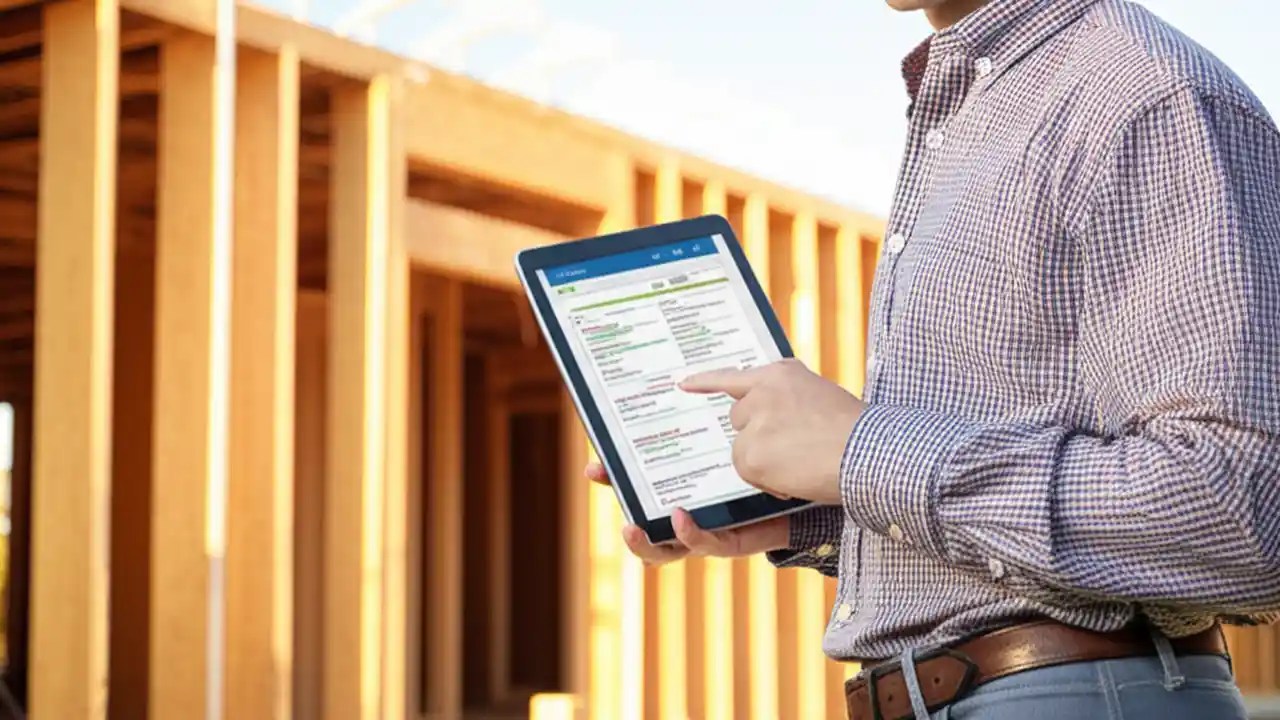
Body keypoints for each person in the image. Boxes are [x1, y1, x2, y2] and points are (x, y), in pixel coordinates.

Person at [586, 0, 1280, 717]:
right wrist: (815, 507)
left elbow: (1245, 506)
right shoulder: (985, 98)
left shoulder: (1147, 96)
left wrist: (864, 449)